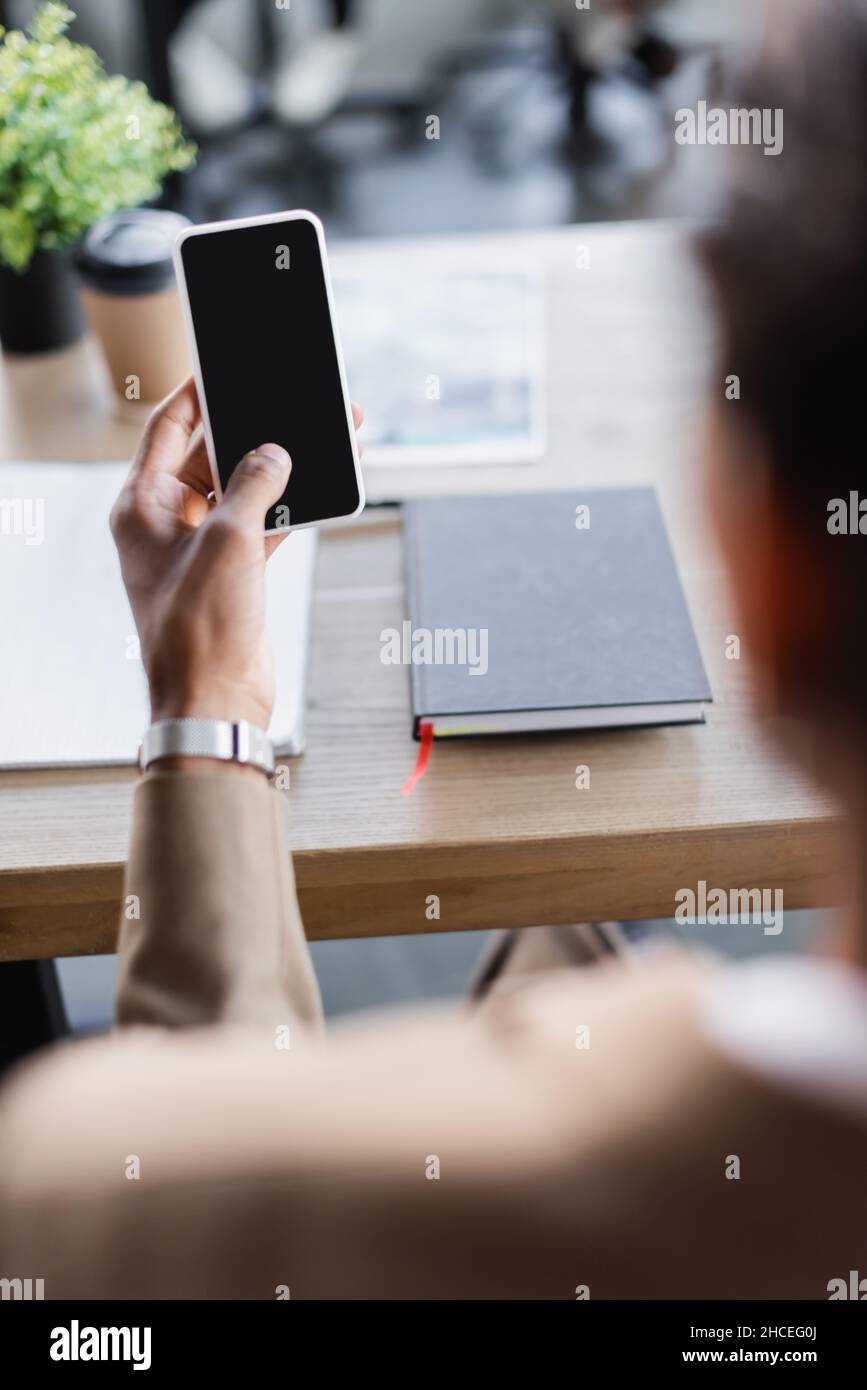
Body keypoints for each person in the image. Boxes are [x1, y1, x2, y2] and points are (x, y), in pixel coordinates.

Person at [1, 0, 866, 1301]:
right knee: (560, 936)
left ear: (761, 558)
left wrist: (207, 709)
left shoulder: (109, 1193)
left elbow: (193, 1161)